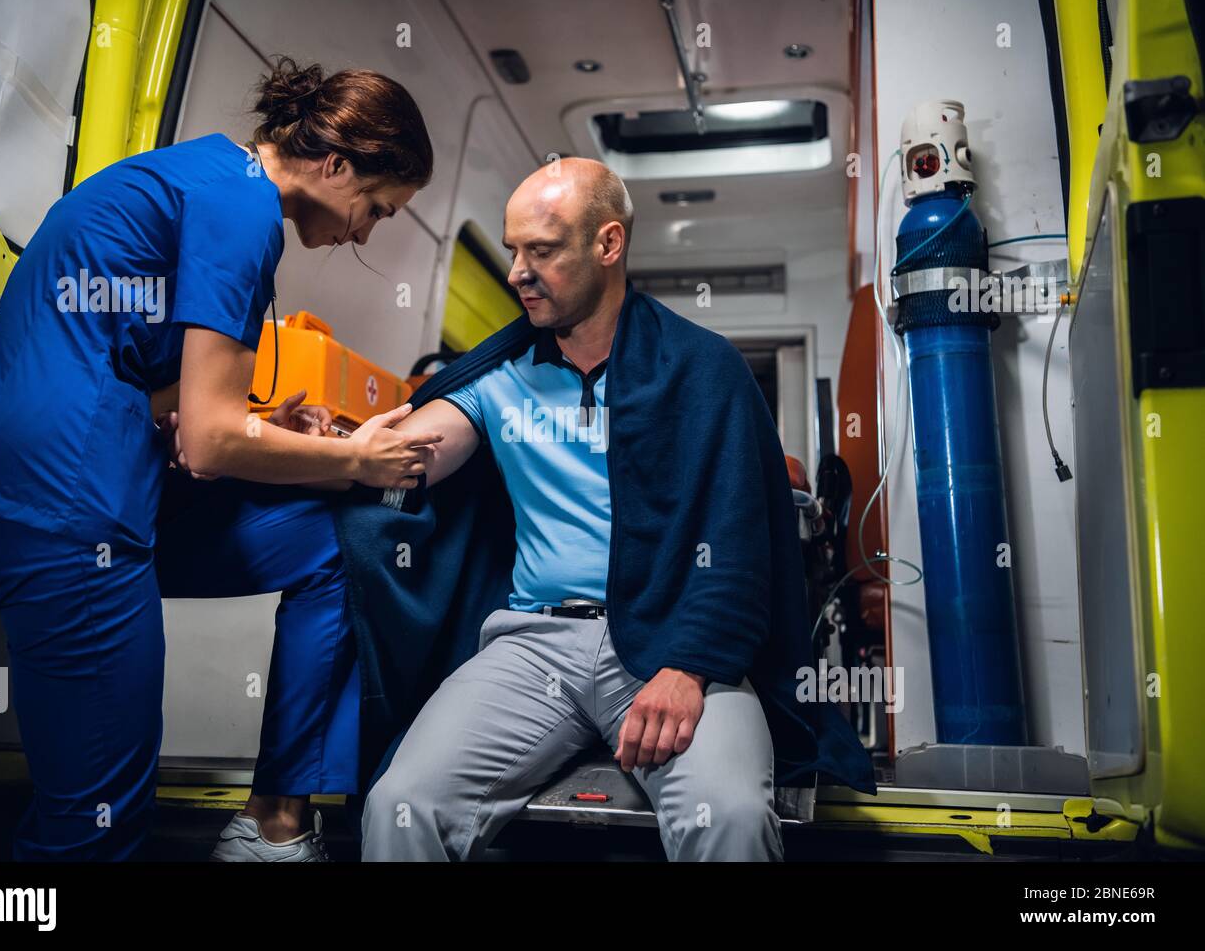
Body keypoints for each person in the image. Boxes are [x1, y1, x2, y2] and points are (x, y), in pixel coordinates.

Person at [0, 57, 441, 861]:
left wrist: (271, 424)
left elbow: (147, 391)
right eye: (376, 209)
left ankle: (275, 822)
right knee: (99, 825)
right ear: (336, 164)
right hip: (65, 510)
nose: (364, 233)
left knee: (338, 545)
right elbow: (208, 445)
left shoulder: (207, 176)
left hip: (49, 489)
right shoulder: (242, 213)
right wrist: (355, 459)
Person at [351, 158, 877, 861]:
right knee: (401, 804)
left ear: (608, 245)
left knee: (728, 815)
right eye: (511, 250)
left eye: (541, 250)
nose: (516, 273)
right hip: (532, 645)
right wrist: (328, 443)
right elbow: (410, 451)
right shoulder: (498, 375)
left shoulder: (703, 370)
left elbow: (739, 542)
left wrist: (688, 670)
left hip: (673, 645)